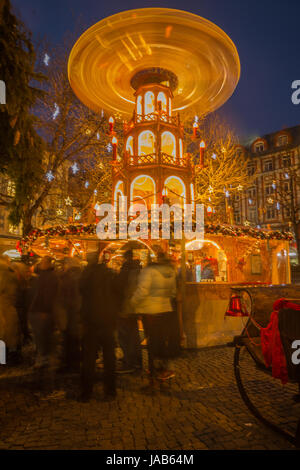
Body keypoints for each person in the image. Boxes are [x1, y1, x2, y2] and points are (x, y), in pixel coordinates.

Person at [131, 248, 177, 383]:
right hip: (166, 310)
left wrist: (133, 302)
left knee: (152, 341)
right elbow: (173, 292)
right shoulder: (171, 271)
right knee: (162, 339)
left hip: (151, 311)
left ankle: (154, 370)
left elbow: (142, 291)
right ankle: (165, 367)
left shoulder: (149, 271)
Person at [79, 252, 120, 402]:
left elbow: (80, 292)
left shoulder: (85, 275)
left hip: (91, 320)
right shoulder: (110, 274)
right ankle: (110, 391)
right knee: (109, 357)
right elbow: (118, 293)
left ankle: (86, 392)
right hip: (108, 320)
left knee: (88, 358)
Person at [28, 256, 58, 370]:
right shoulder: (44, 277)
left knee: (41, 336)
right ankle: (43, 357)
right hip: (40, 310)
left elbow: (47, 295)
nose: (41, 264)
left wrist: (45, 310)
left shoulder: (48, 277)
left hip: (41, 310)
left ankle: (43, 358)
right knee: (42, 336)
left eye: (43, 262)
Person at [117, 250, 142, 374]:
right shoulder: (140, 270)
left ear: (125, 258)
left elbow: (120, 288)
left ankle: (129, 362)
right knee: (134, 335)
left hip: (125, 307)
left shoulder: (126, 270)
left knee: (125, 336)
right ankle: (137, 361)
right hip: (135, 307)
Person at [56, 257, 82, 373]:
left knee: (69, 339)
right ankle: (74, 363)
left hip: (70, 313)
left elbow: (66, 297)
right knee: (73, 340)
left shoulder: (69, 278)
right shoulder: (80, 276)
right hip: (76, 312)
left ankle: (70, 364)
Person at [0, 256, 20, 364]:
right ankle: (10, 357)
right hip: (9, 306)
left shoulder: (3, 273)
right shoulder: (10, 272)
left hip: (3, 307)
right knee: (10, 334)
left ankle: (3, 359)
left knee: (4, 334)